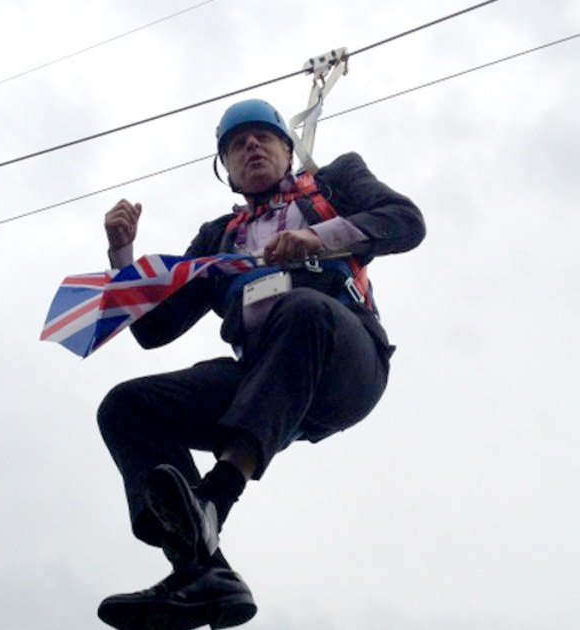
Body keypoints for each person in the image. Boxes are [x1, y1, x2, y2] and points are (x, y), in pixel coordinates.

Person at [95, 99, 425, 629]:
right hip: (262, 381)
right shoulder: (220, 237)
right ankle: (202, 572)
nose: (250, 147)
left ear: (287, 151)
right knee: (127, 407)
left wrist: (318, 236)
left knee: (303, 308)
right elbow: (154, 331)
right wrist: (122, 258)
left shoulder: (334, 184)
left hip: (344, 361)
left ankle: (216, 497)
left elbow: (406, 221)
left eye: (262, 137)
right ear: (226, 170)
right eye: (235, 145)